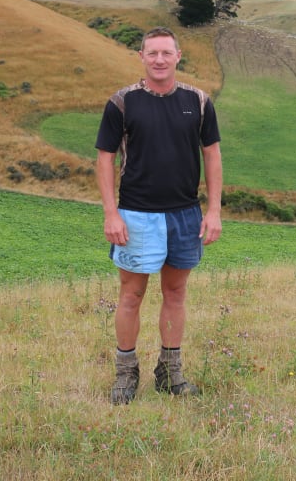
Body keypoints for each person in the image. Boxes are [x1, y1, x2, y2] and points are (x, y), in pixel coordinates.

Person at [94, 26, 223, 405]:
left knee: (176, 292)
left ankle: (170, 373)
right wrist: (111, 213)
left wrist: (213, 210)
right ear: (141, 57)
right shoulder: (122, 102)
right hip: (135, 215)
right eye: (152, 53)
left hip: (184, 214)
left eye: (166, 53)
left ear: (178, 56)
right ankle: (125, 374)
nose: (160, 60)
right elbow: (105, 158)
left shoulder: (198, 101)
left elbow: (212, 154)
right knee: (131, 295)